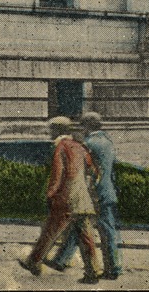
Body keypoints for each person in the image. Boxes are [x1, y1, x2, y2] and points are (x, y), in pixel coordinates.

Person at [18, 116, 100, 283]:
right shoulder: (80, 147)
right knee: (86, 235)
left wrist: (50, 194)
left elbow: (57, 174)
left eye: (51, 129)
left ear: (57, 130)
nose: (49, 133)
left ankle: (33, 261)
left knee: (50, 231)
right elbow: (94, 171)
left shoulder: (61, 147)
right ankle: (93, 271)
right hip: (83, 199)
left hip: (66, 199)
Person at [46, 111, 122, 280]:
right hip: (107, 192)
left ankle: (64, 260)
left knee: (83, 227)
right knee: (104, 230)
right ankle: (113, 267)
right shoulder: (108, 142)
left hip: (93, 194)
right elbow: (112, 171)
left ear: (86, 126)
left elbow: (84, 172)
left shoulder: (88, 144)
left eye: (82, 126)